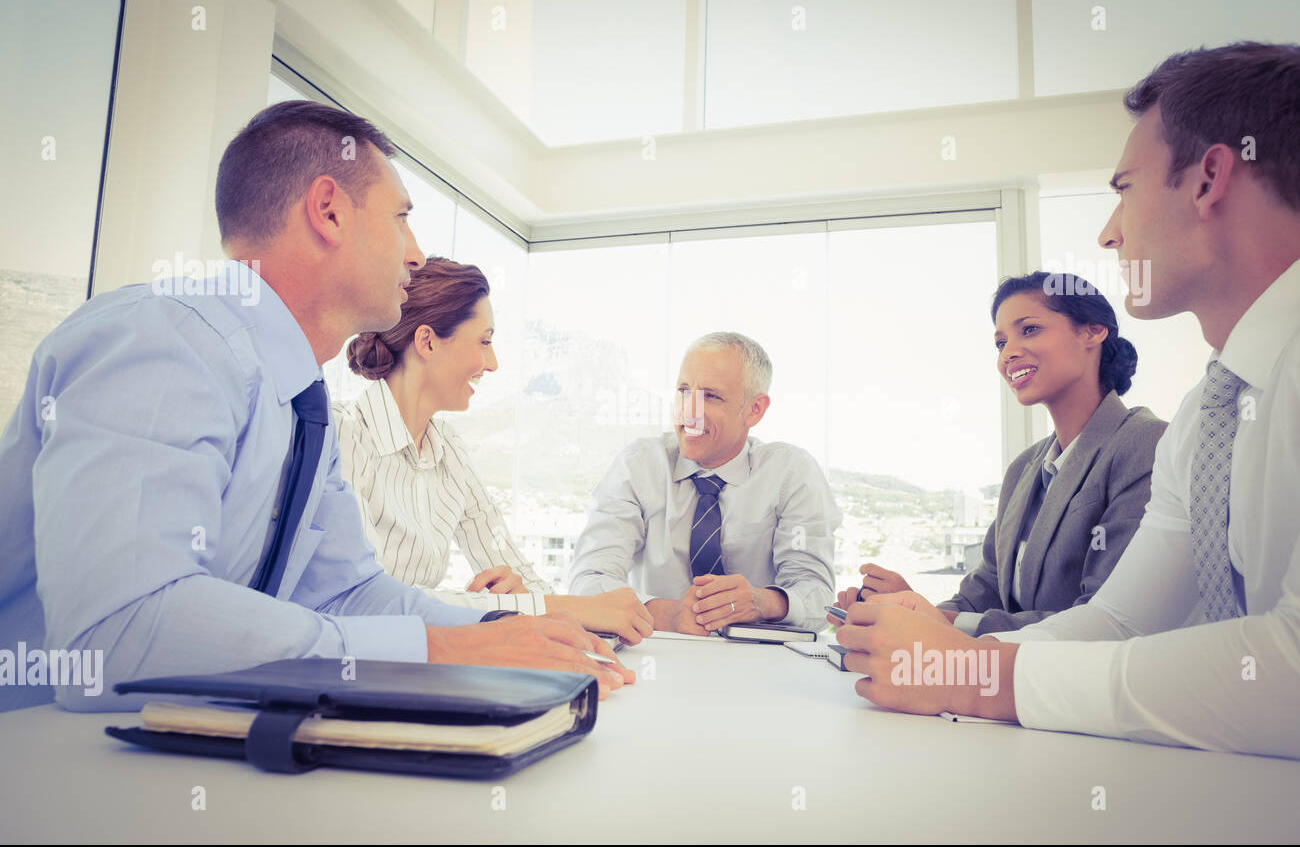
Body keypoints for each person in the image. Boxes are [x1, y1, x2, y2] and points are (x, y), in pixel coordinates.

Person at [0, 100, 630, 712]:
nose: (415, 253)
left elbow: (347, 594)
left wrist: (499, 635)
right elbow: (121, 633)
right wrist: (438, 650)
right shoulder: (162, 340)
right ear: (329, 211)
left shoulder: (302, 402)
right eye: (401, 218)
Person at [832, 41, 1300, 759]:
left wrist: (974, 674)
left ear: (1209, 178)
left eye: (1124, 190)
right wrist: (944, 655)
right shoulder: (1204, 423)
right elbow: (1119, 622)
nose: (1110, 233)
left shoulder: (1159, 434)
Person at [335, 256, 655, 644]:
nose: (493, 363)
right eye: (484, 342)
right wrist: (550, 608)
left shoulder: (448, 452)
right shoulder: (345, 436)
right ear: (428, 341)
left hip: (426, 660)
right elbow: (364, 601)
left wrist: (523, 596)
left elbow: (523, 577)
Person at [837, 272, 1166, 635]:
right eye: (1000, 342)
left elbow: (1105, 618)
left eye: (1029, 330)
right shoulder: (1024, 469)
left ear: (1092, 330)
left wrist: (933, 619)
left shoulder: (1145, 443)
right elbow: (985, 591)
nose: (1008, 353)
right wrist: (909, 609)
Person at [569, 332, 841, 634]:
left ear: (755, 410)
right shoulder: (639, 465)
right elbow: (588, 581)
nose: (689, 413)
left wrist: (765, 602)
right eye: (684, 391)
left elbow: (818, 597)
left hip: (760, 663)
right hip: (657, 654)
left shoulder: (791, 473)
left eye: (711, 396)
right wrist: (668, 615)